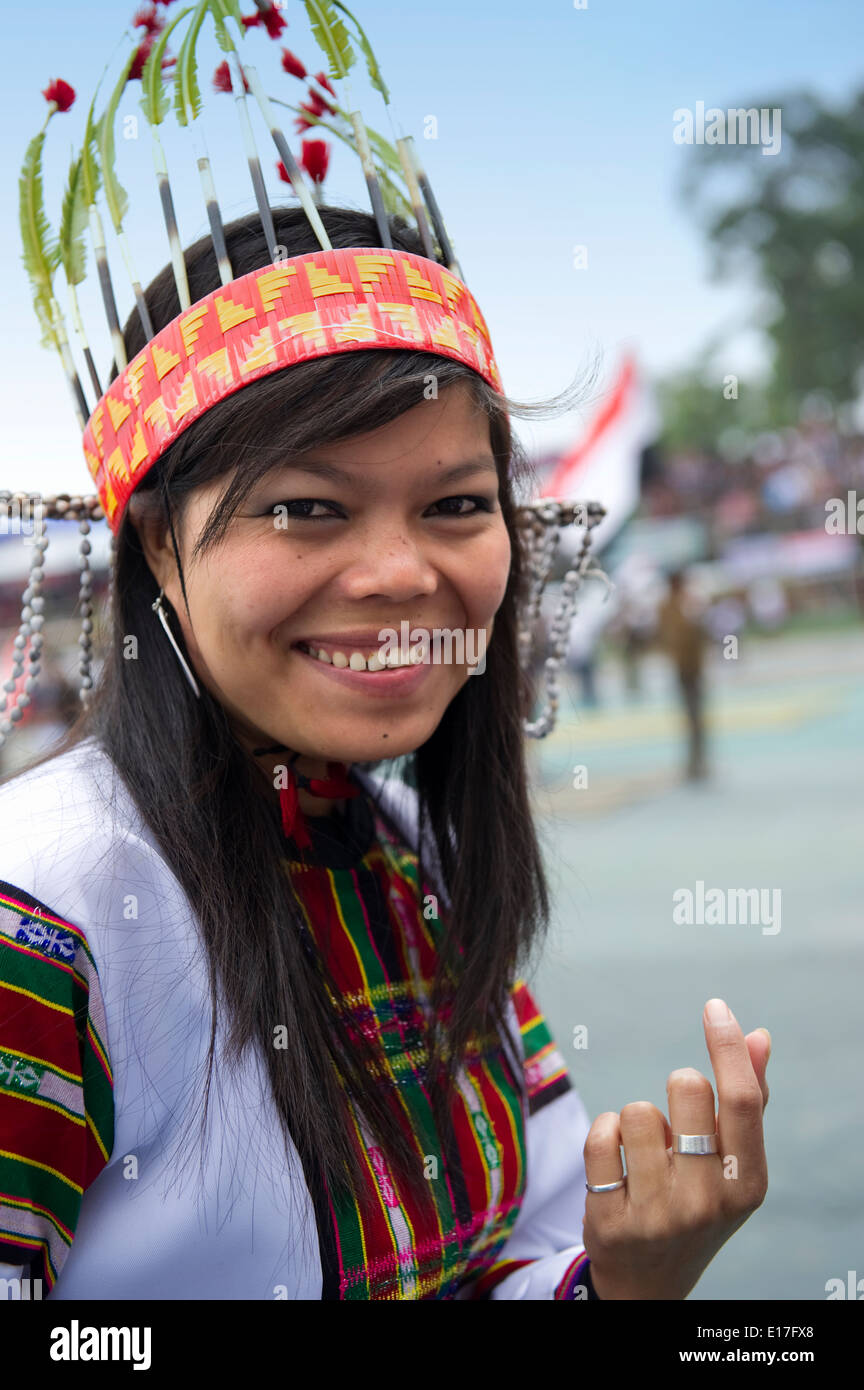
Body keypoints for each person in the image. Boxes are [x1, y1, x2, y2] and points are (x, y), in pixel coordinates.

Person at [0, 7, 770, 1302]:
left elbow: (495, 1259)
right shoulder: (48, 914)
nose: (405, 571)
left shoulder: (412, 846)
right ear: (155, 551)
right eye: (308, 507)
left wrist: (621, 1281)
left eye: (455, 505)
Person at [657, 568, 710, 780]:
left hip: (692, 666)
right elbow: (677, 637)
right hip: (685, 667)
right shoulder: (673, 606)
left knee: (695, 717)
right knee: (692, 717)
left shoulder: (681, 604)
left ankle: (697, 762)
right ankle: (694, 763)